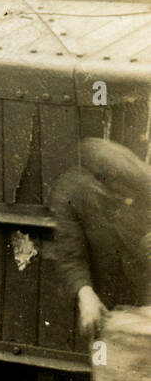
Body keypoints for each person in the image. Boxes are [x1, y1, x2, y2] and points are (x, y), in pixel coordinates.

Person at [50, 137, 151, 340]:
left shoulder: (142, 184)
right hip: (105, 292)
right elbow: (71, 257)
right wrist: (85, 294)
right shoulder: (70, 194)